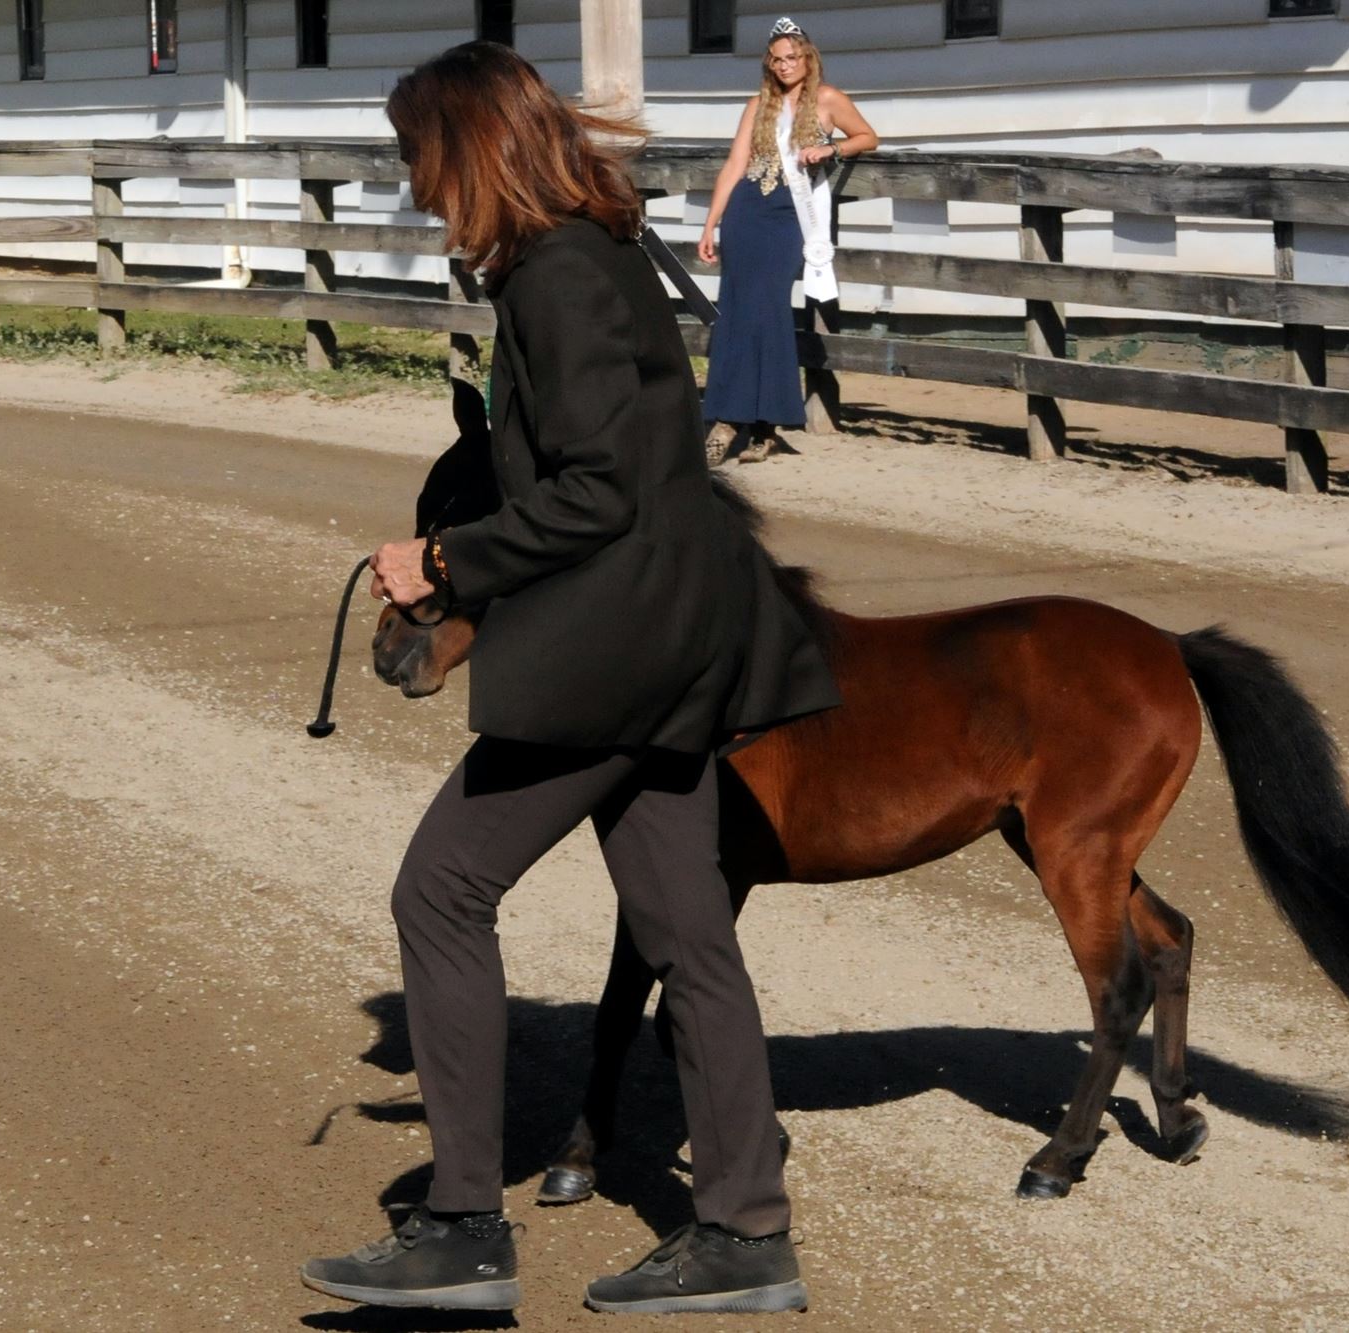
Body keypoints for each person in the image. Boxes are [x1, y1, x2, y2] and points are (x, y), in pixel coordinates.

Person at [300, 42, 840, 1316]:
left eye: (415, 158)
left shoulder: (558, 278)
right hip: (669, 630)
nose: (412, 185)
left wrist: (441, 556)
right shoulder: (581, 257)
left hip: (623, 642)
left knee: (440, 887)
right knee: (684, 929)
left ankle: (461, 1228)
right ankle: (745, 1235)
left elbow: (598, 488)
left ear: (465, 151)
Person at [698, 17, 877, 465]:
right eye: (776, 60)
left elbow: (868, 137)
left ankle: (763, 422)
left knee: (769, 311)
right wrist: (710, 223)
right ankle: (730, 422)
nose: (784, 66)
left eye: (792, 57)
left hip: (789, 218)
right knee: (736, 311)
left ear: (808, 57)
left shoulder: (829, 99)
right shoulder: (757, 105)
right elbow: (736, 164)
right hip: (746, 213)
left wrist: (830, 150)